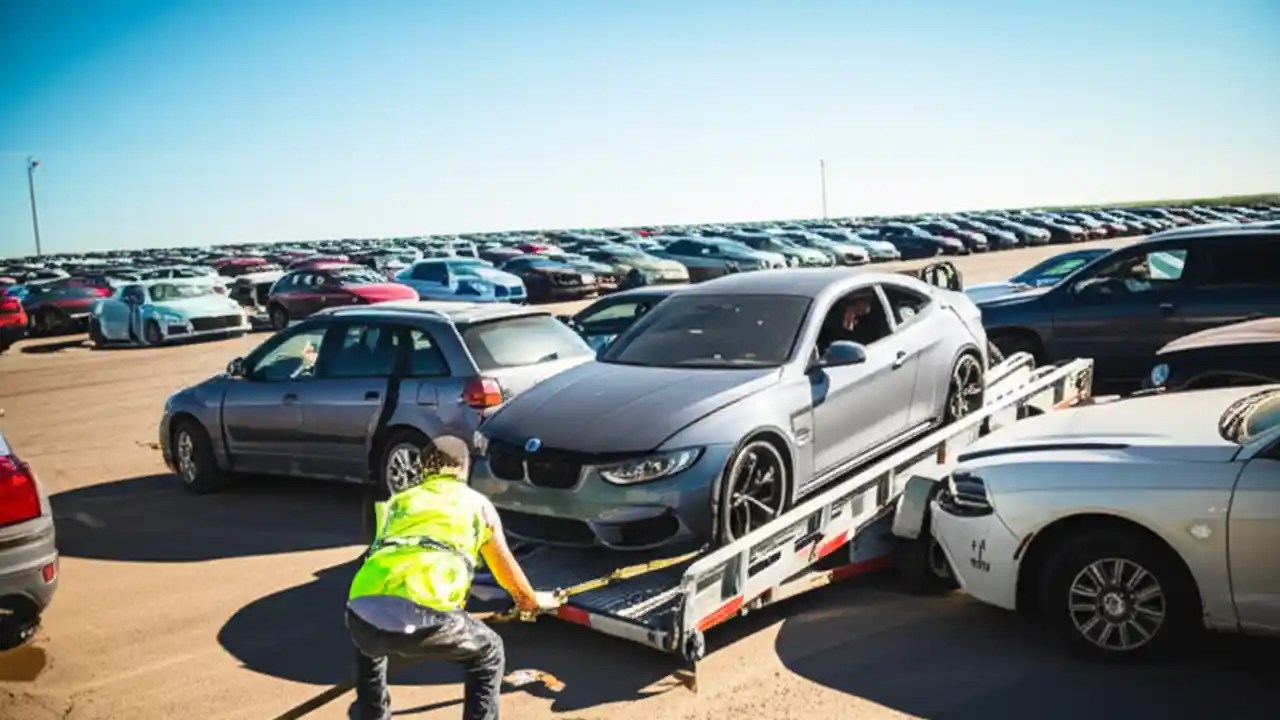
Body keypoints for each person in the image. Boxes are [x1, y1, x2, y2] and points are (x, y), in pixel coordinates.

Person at [346, 435, 558, 720]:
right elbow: (505, 569)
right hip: (426, 615)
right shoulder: (477, 505)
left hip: (360, 610)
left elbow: (377, 554)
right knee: (489, 652)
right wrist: (529, 602)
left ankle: (372, 713)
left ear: (422, 469)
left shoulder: (398, 501)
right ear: (463, 468)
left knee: (370, 645)